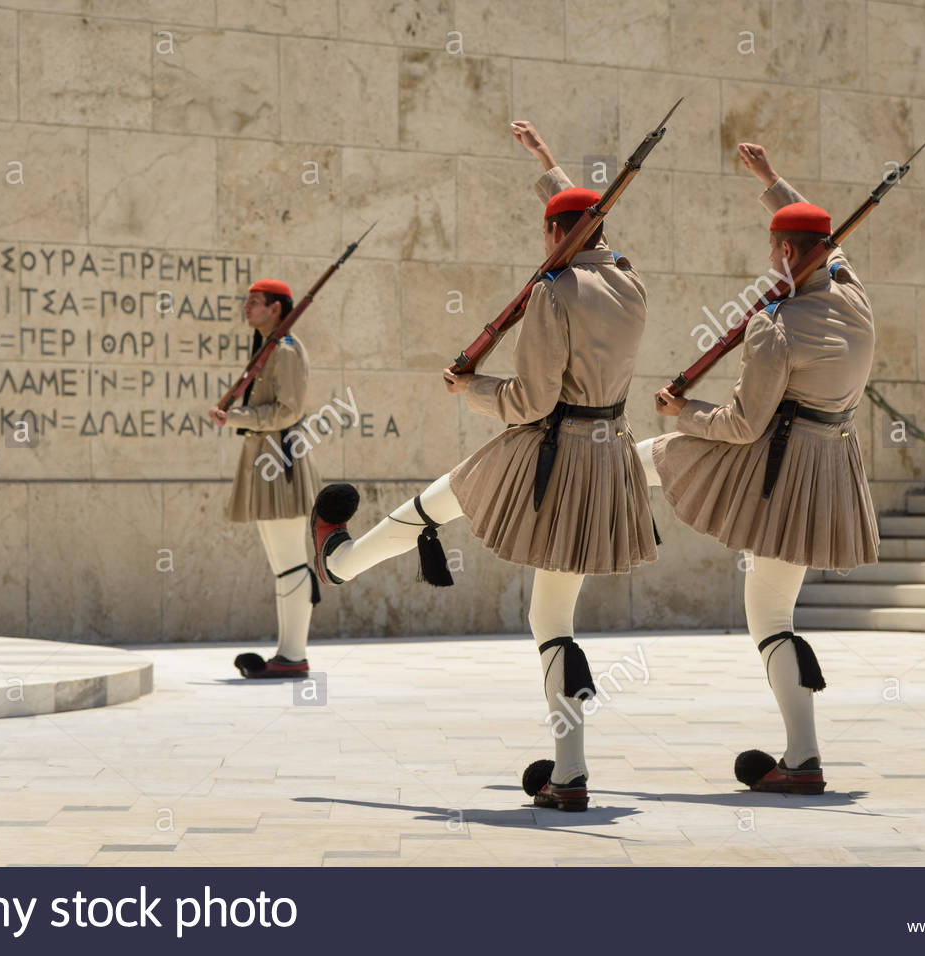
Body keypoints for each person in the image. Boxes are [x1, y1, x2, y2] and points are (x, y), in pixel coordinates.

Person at [309, 121, 658, 812]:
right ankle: (570, 771)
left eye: (546, 232)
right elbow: (594, 230)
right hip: (605, 456)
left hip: (545, 452)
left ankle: (340, 562)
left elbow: (528, 399)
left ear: (556, 237)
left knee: (436, 503)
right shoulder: (630, 283)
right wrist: (549, 164)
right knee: (552, 620)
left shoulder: (552, 293)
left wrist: (469, 388)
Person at [640, 143, 879, 794]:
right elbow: (831, 245)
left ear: (781, 254)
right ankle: (802, 758)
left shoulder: (775, 326)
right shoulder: (855, 299)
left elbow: (743, 424)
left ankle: (804, 761)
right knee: (775, 618)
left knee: (637, 465)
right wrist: (773, 181)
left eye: (774, 248)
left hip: (777, 469)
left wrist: (683, 410)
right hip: (831, 465)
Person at [208, 279, 322, 679]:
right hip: (264, 457)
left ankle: (294, 655)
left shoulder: (286, 350)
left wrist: (235, 417)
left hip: (280, 457)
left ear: (277, 308)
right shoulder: (268, 347)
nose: (246, 308)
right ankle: (287, 652)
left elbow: (288, 411)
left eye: (254, 302)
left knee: (291, 560)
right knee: (281, 563)